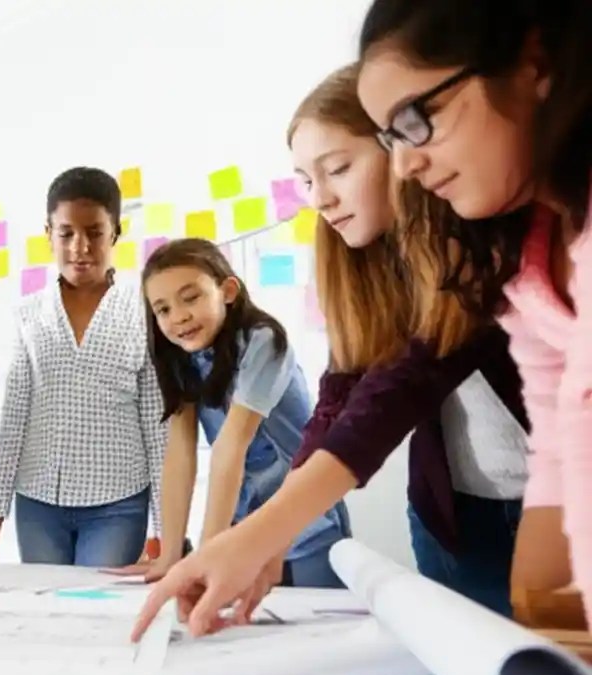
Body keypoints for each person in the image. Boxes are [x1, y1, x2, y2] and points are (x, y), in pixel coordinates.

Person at [130, 63, 530, 641]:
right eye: (305, 181)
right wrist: (272, 538)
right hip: (455, 521)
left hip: (560, 508)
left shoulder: (474, 243)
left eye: (338, 168)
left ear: (402, 151)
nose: (320, 198)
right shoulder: (365, 268)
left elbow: (395, 392)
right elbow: (339, 399)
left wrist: (263, 532)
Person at [353, 0, 591, 625]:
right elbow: (563, 458)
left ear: (532, 62)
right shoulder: (530, 267)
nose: (403, 164)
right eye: (389, 138)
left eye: (416, 119)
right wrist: (543, 636)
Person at [0, 167, 166, 567]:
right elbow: (14, 420)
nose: (80, 246)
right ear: (48, 234)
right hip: (39, 505)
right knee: (44, 612)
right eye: (67, 233)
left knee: (96, 613)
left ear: (115, 234)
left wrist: (167, 533)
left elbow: (157, 428)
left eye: (95, 232)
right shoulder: (29, 316)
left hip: (118, 504)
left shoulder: (145, 313)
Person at [141, 238, 351, 592]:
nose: (178, 316)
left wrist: (207, 553)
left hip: (304, 525)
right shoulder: (182, 361)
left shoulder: (263, 341)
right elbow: (179, 456)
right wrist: (171, 554)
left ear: (227, 290)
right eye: (162, 309)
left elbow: (230, 448)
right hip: (244, 532)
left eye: (190, 297)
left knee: (315, 631)